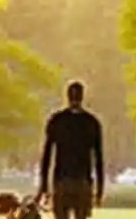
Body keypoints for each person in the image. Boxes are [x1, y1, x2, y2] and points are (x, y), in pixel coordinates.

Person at [39, 80, 105, 219]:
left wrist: (44, 185)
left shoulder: (57, 120)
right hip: (82, 180)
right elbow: (98, 158)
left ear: (67, 96)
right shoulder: (91, 122)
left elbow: (47, 154)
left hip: (62, 179)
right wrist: (99, 188)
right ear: (82, 96)